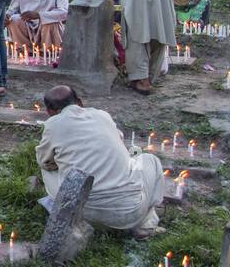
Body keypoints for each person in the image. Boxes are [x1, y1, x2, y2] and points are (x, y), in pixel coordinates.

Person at [36, 85, 165, 236]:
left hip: (82, 214)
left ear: (49, 112)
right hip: (131, 211)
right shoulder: (102, 115)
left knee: (47, 169)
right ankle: (147, 221)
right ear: (79, 102)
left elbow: (44, 161)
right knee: (149, 159)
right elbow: (119, 140)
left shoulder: (52, 124)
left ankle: (66, 215)